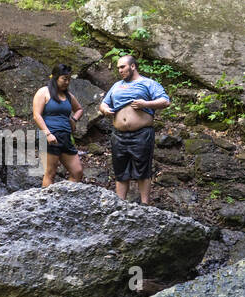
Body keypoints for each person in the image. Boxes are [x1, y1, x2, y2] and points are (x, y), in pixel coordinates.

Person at [99, 54, 170, 204]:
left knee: (142, 170)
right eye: (118, 67)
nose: (120, 70)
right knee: (120, 170)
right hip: (119, 134)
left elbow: (165, 101)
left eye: (122, 67)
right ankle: (119, 205)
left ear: (133, 66)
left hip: (141, 133)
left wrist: (145, 104)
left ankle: (145, 204)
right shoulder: (116, 85)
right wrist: (105, 110)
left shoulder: (148, 83)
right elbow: (103, 103)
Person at [31, 63, 85, 186]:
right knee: (50, 173)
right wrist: (48, 134)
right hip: (49, 137)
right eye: (64, 79)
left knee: (77, 172)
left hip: (65, 137)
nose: (67, 82)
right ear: (55, 78)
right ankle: (46, 203)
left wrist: (74, 119)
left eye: (69, 80)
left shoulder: (68, 96)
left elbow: (79, 109)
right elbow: (36, 115)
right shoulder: (43, 92)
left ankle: (62, 199)